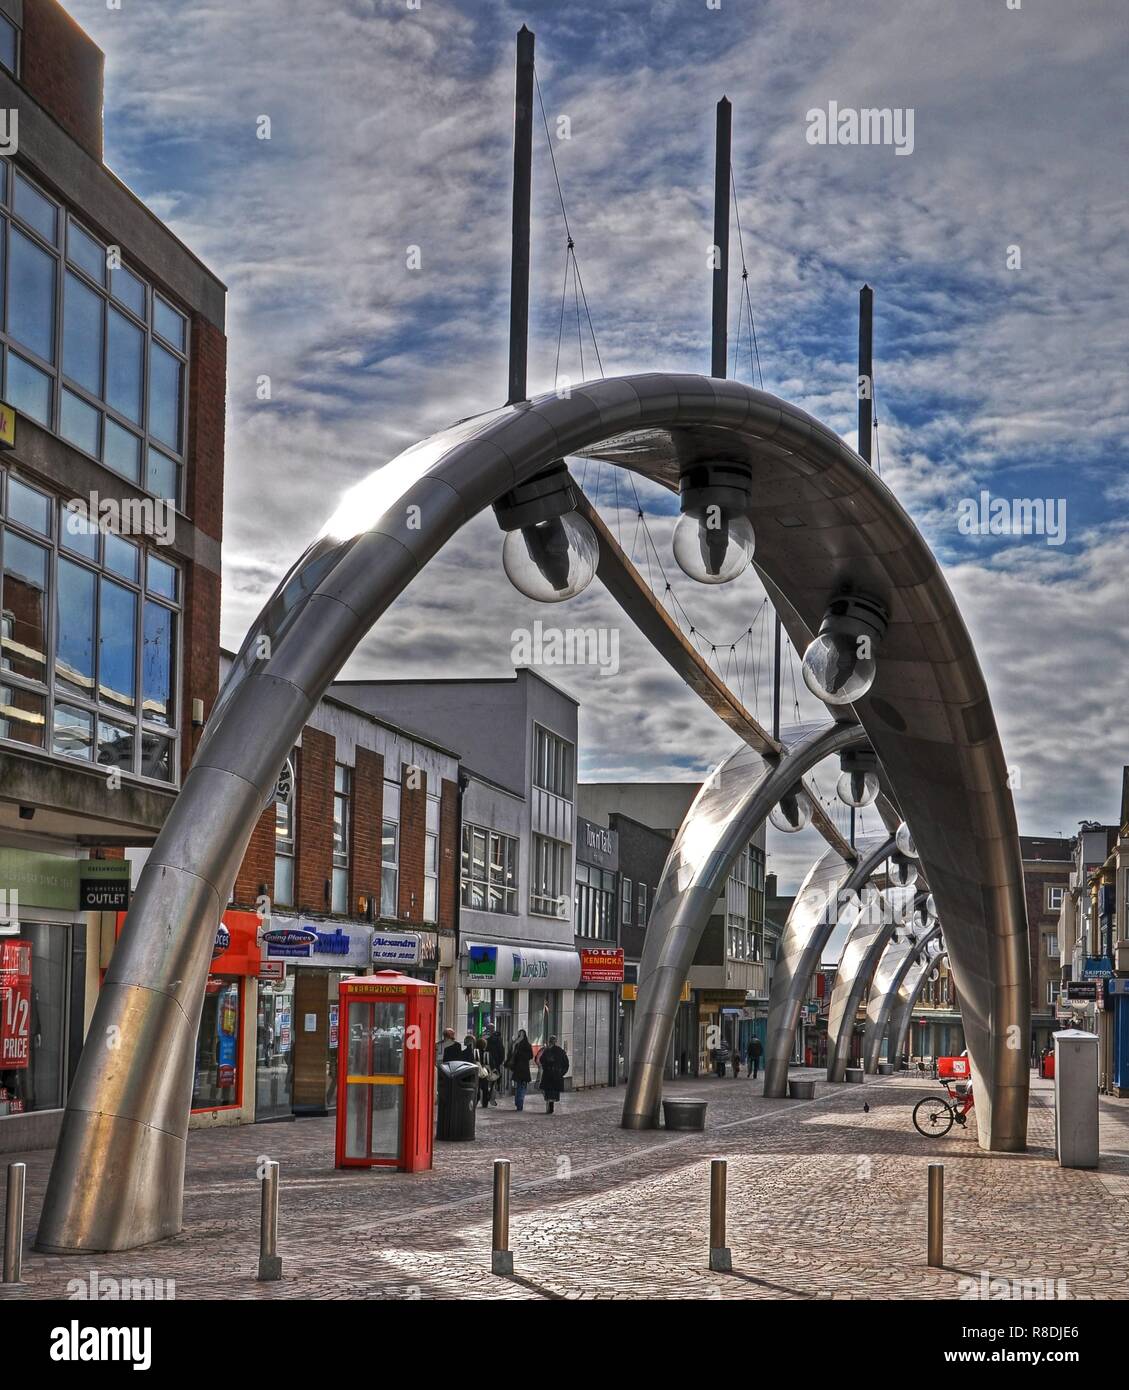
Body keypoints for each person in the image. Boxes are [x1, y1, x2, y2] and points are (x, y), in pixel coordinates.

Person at [538, 1036, 570, 1113]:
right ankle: (550, 1107)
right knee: (552, 1092)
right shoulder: (560, 1051)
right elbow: (566, 1064)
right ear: (556, 1041)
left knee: (548, 1092)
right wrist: (561, 1073)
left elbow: (541, 1060)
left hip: (548, 1075)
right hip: (555, 1075)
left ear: (550, 1041)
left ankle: (549, 1107)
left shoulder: (548, 1050)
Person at [507, 1029, 534, 1111]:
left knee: (520, 1086)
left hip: (520, 1069)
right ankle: (519, 1103)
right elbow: (530, 1056)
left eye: (520, 1035)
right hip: (522, 1069)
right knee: (521, 1086)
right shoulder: (519, 1045)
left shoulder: (519, 1045)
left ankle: (519, 1103)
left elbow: (529, 1056)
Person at [484, 1025, 505, 1106]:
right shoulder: (498, 1040)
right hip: (495, 1063)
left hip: (486, 1063)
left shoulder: (485, 1038)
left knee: (486, 1080)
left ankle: (486, 1098)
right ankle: (491, 1098)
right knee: (493, 1080)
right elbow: (501, 1052)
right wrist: (499, 1062)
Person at [475, 1036, 493, 1109]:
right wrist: (490, 1072)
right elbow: (489, 1063)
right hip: (485, 1073)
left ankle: (475, 1101)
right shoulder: (486, 1053)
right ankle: (485, 1104)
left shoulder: (474, 1052)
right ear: (485, 1045)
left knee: (477, 1087)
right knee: (485, 1089)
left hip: (476, 1072)